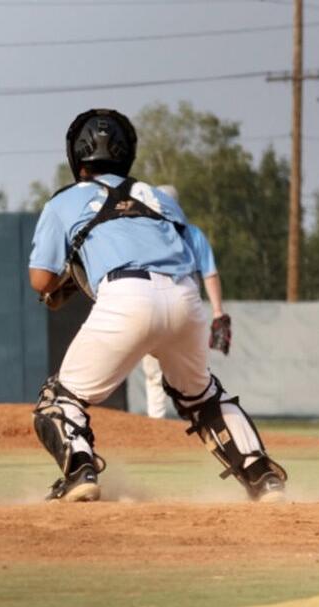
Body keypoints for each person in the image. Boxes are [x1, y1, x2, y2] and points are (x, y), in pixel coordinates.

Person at [29, 108, 286, 503]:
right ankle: (262, 475)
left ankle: (81, 472)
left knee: (58, 402)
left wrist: (74, 277)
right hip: (185, 297)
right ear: (127, 153)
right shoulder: (159, 197)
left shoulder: (64, 201)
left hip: (126, 296)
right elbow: (182, 250)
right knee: (203, 398)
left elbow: (41, 282)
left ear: (76, 157)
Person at [141, 185, 229, 419]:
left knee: (156, 373)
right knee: (193, 371)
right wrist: (218, 312)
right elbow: (209, 273)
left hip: (154, 309)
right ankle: (204, 421)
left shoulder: (143, 236)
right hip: (186, 309)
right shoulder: (193, 234)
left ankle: (158, 424)